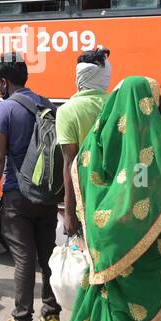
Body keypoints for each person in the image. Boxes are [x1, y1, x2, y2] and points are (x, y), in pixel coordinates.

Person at [62, 76, 161, 321]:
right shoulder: (157, 140)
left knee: (115, 291)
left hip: (113, 230)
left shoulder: (102, 133)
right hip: (154, 234)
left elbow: (84, 169)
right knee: (148, 294)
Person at [0, 52, 62, 321]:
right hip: (47, 194)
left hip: (18, 194)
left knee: (24, 258)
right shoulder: (46, 104)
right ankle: (51, 315)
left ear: (4, 82)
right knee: (47, 255)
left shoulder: (4, 110)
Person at [57, 48, 112, 238]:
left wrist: (69, 213)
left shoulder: (67, 111)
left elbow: (69, 163)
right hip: (118, 199)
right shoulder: (118, 105)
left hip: (86, 202)